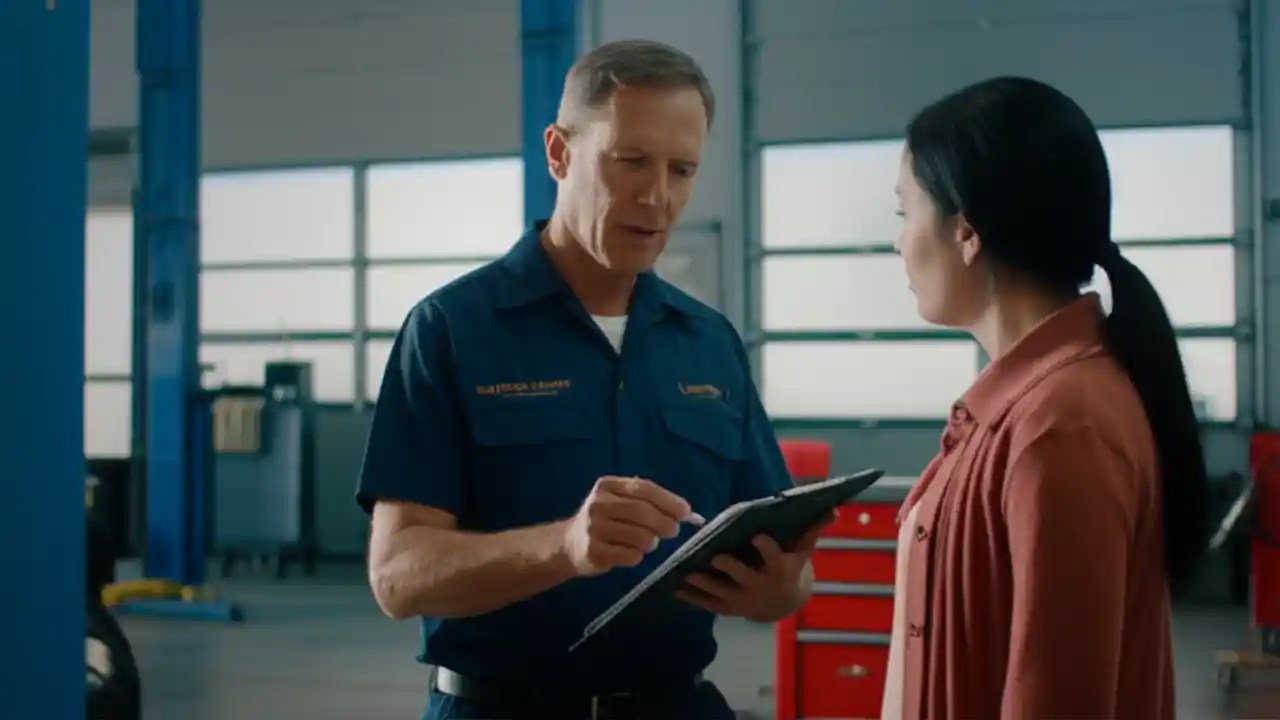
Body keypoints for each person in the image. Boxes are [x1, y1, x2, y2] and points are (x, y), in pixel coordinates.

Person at [357, 39, 824, 720]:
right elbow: (396, 577)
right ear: (559, 152)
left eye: (682, 169)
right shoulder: (453, 331)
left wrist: (781, 590)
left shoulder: (709, 344)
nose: (657, 196)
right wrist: (564, 547)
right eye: (629, 161)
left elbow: (780, 571)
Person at [879, 76, 1209, 720]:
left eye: (904, 212)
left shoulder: (1062, 423)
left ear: (965, 232)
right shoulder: (1024, 406)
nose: (897, 240)